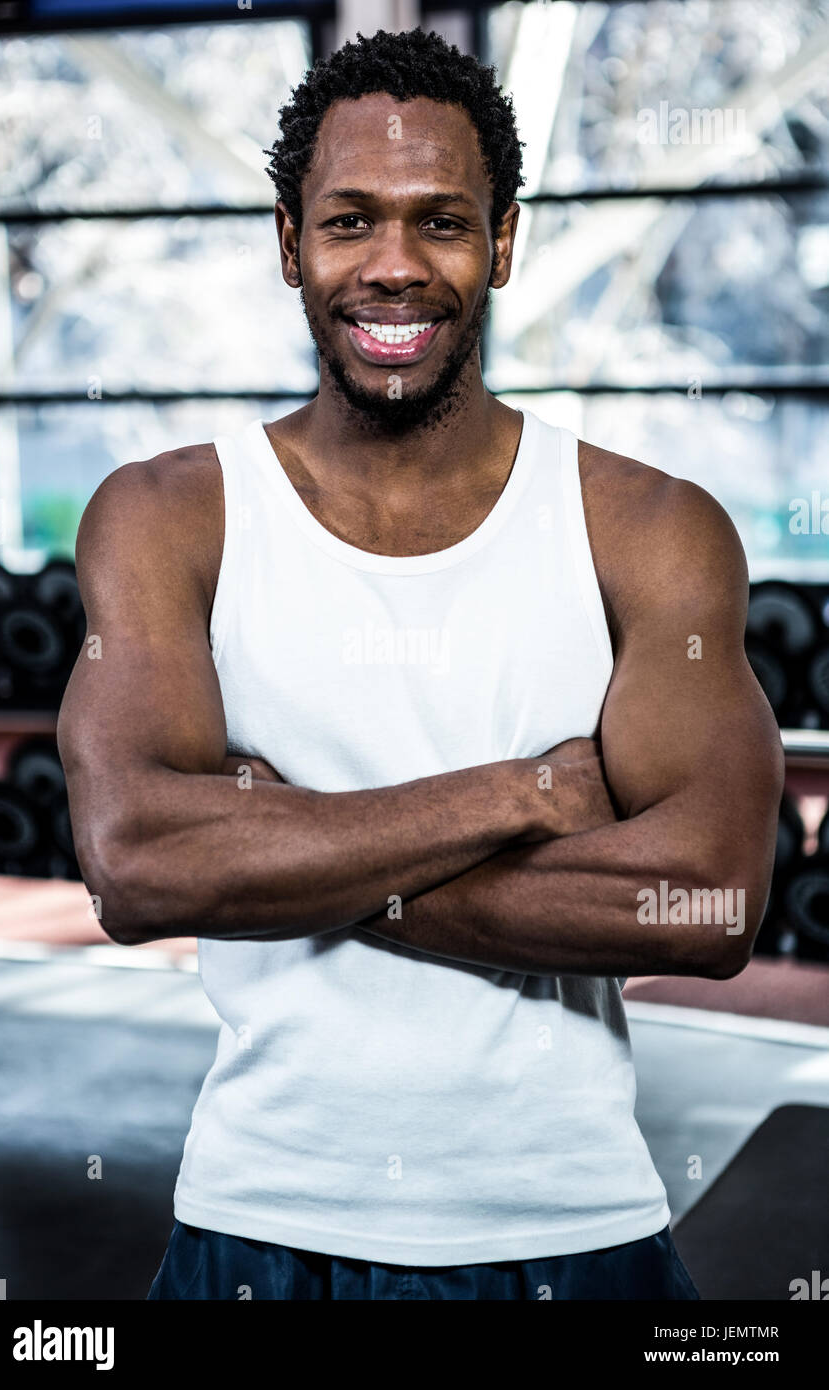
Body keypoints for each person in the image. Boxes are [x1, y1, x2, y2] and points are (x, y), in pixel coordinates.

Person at [58, 27, 784, 1301]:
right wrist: (520, 796)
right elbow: (136, 864)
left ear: (501, 243)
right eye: (348, 222)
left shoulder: (649, 529)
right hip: (257, 1225)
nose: (393, 269)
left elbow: (708, 903)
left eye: (439, 223)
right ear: (289, 243)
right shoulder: (168, 515)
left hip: (569, 1232)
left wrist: (275, 844)